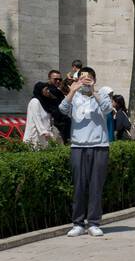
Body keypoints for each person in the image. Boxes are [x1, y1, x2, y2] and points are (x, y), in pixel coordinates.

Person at [59, 67, 112, 237]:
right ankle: (78, 223)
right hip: (78, 146)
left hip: (99, 146)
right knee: (79, 186)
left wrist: (94, 91)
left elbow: (107, 109)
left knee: (96, 186)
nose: (85, 80)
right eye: (82, 78)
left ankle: (94, 223)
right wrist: (72, 91)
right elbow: (62, 109)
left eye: (88, 78)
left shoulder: (101, 95)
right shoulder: (75, 98)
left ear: (94, 80)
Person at [24, 83, 63, 149]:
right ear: (40, 90)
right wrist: (43, 131)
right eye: (46, 89)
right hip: (35, 134)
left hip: (45, 136)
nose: (48, 91)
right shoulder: (35, 101)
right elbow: (37, 118)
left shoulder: (45, 103)